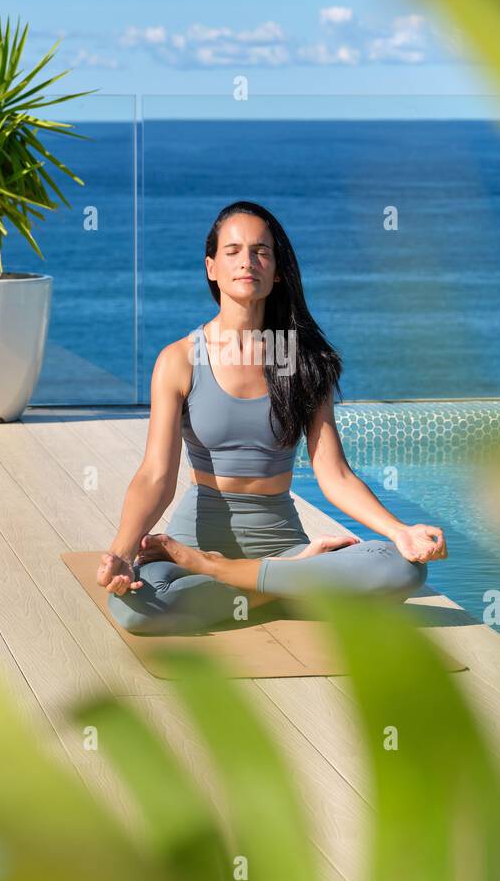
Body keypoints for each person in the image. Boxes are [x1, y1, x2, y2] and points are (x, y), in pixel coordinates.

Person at [97, 200, 447, 634]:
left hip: (279, 540)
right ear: (211, 268)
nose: (248, 261)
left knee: (401, 570)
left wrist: (400, 531)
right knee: (134, 609)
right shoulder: (180, 360)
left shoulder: (304, 361)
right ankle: (288, 582)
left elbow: (334, 474)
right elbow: (155, 475)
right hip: (193, 540)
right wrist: (123, 553)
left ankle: (235, 574)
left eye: (262, 251)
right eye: (233, 251)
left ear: (278, 270)